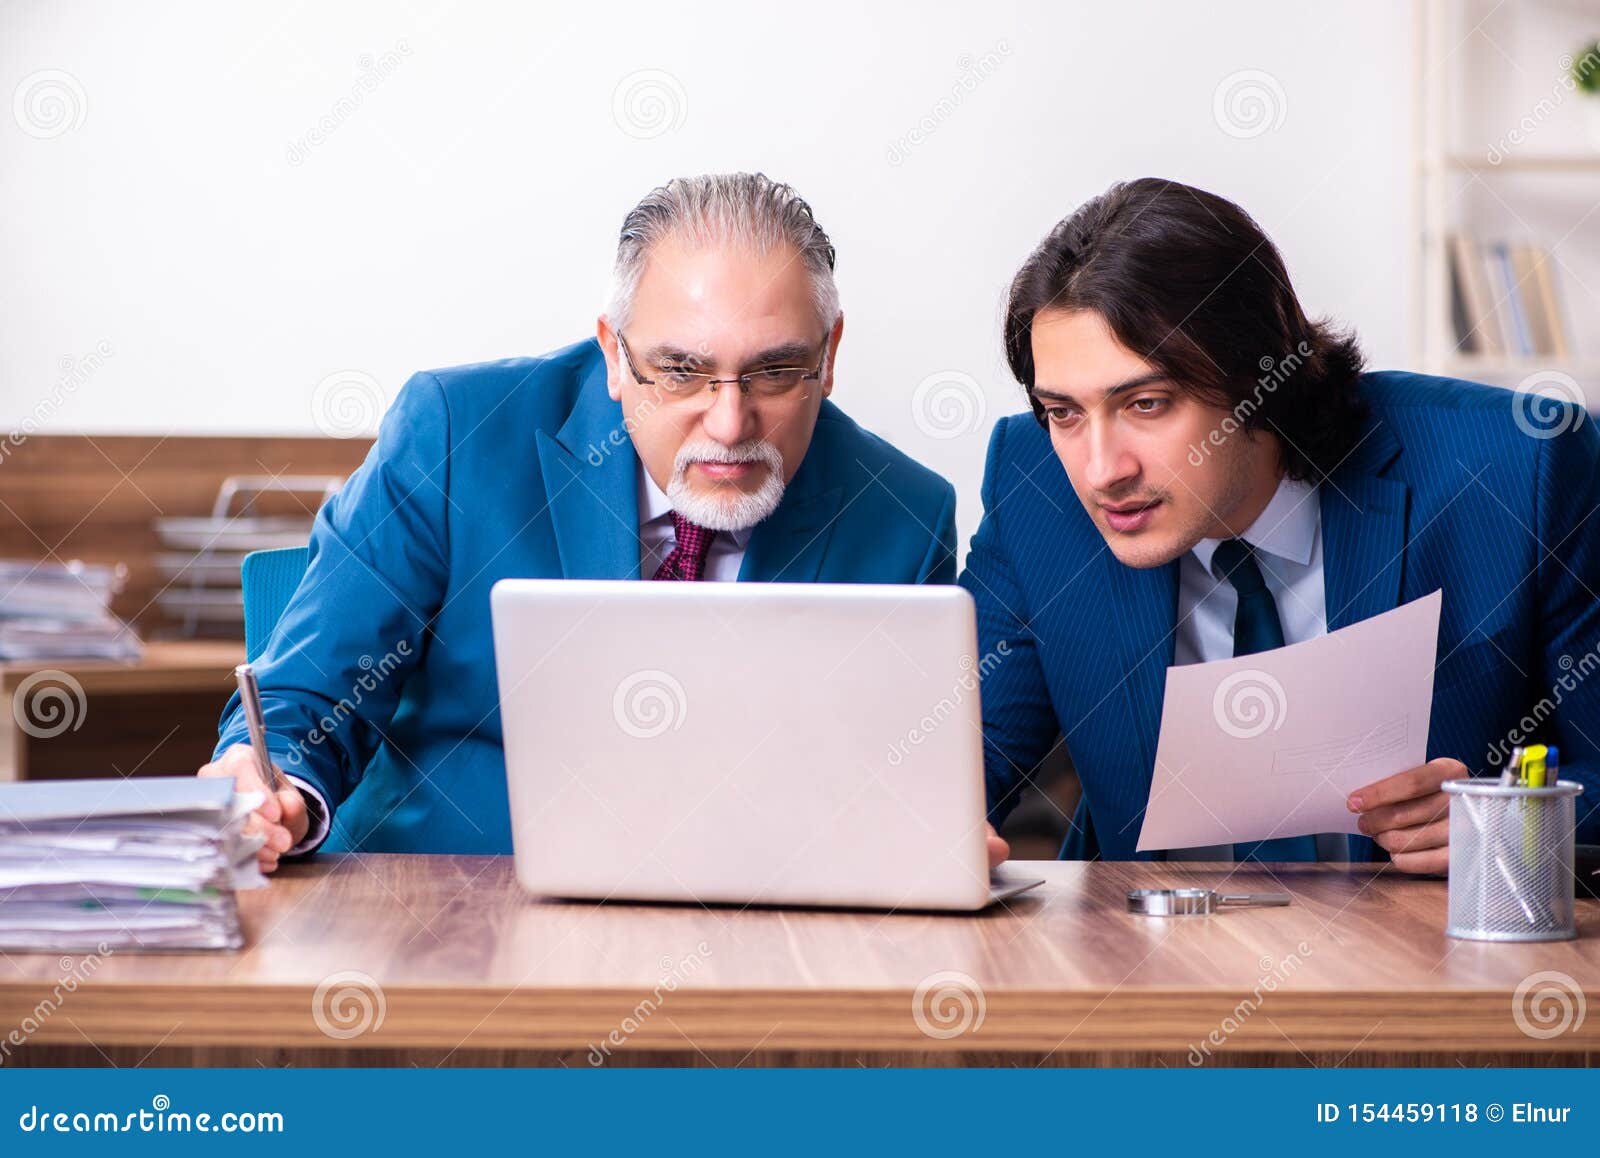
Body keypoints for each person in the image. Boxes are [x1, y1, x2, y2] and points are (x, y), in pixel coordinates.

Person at [203, 172, 958, 869]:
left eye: (775, 372)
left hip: (750, 948)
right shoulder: (457, 438)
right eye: (681, 371)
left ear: (828, 356)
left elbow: (894, 794)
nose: (730, 425)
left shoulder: (905, 517)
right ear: (613, 353)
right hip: (451, 930)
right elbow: (306, 696)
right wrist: (275, 787)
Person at [965, 177, 1600, 873]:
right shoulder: (1034, 489)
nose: (1100, 469)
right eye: (1063, 412)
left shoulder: (1519, 470)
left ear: (1257, 377)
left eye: (1146, 404)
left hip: (1428, 964)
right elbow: (964, 751)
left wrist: (1512, 826)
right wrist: (935, 826)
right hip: (1145, 961)